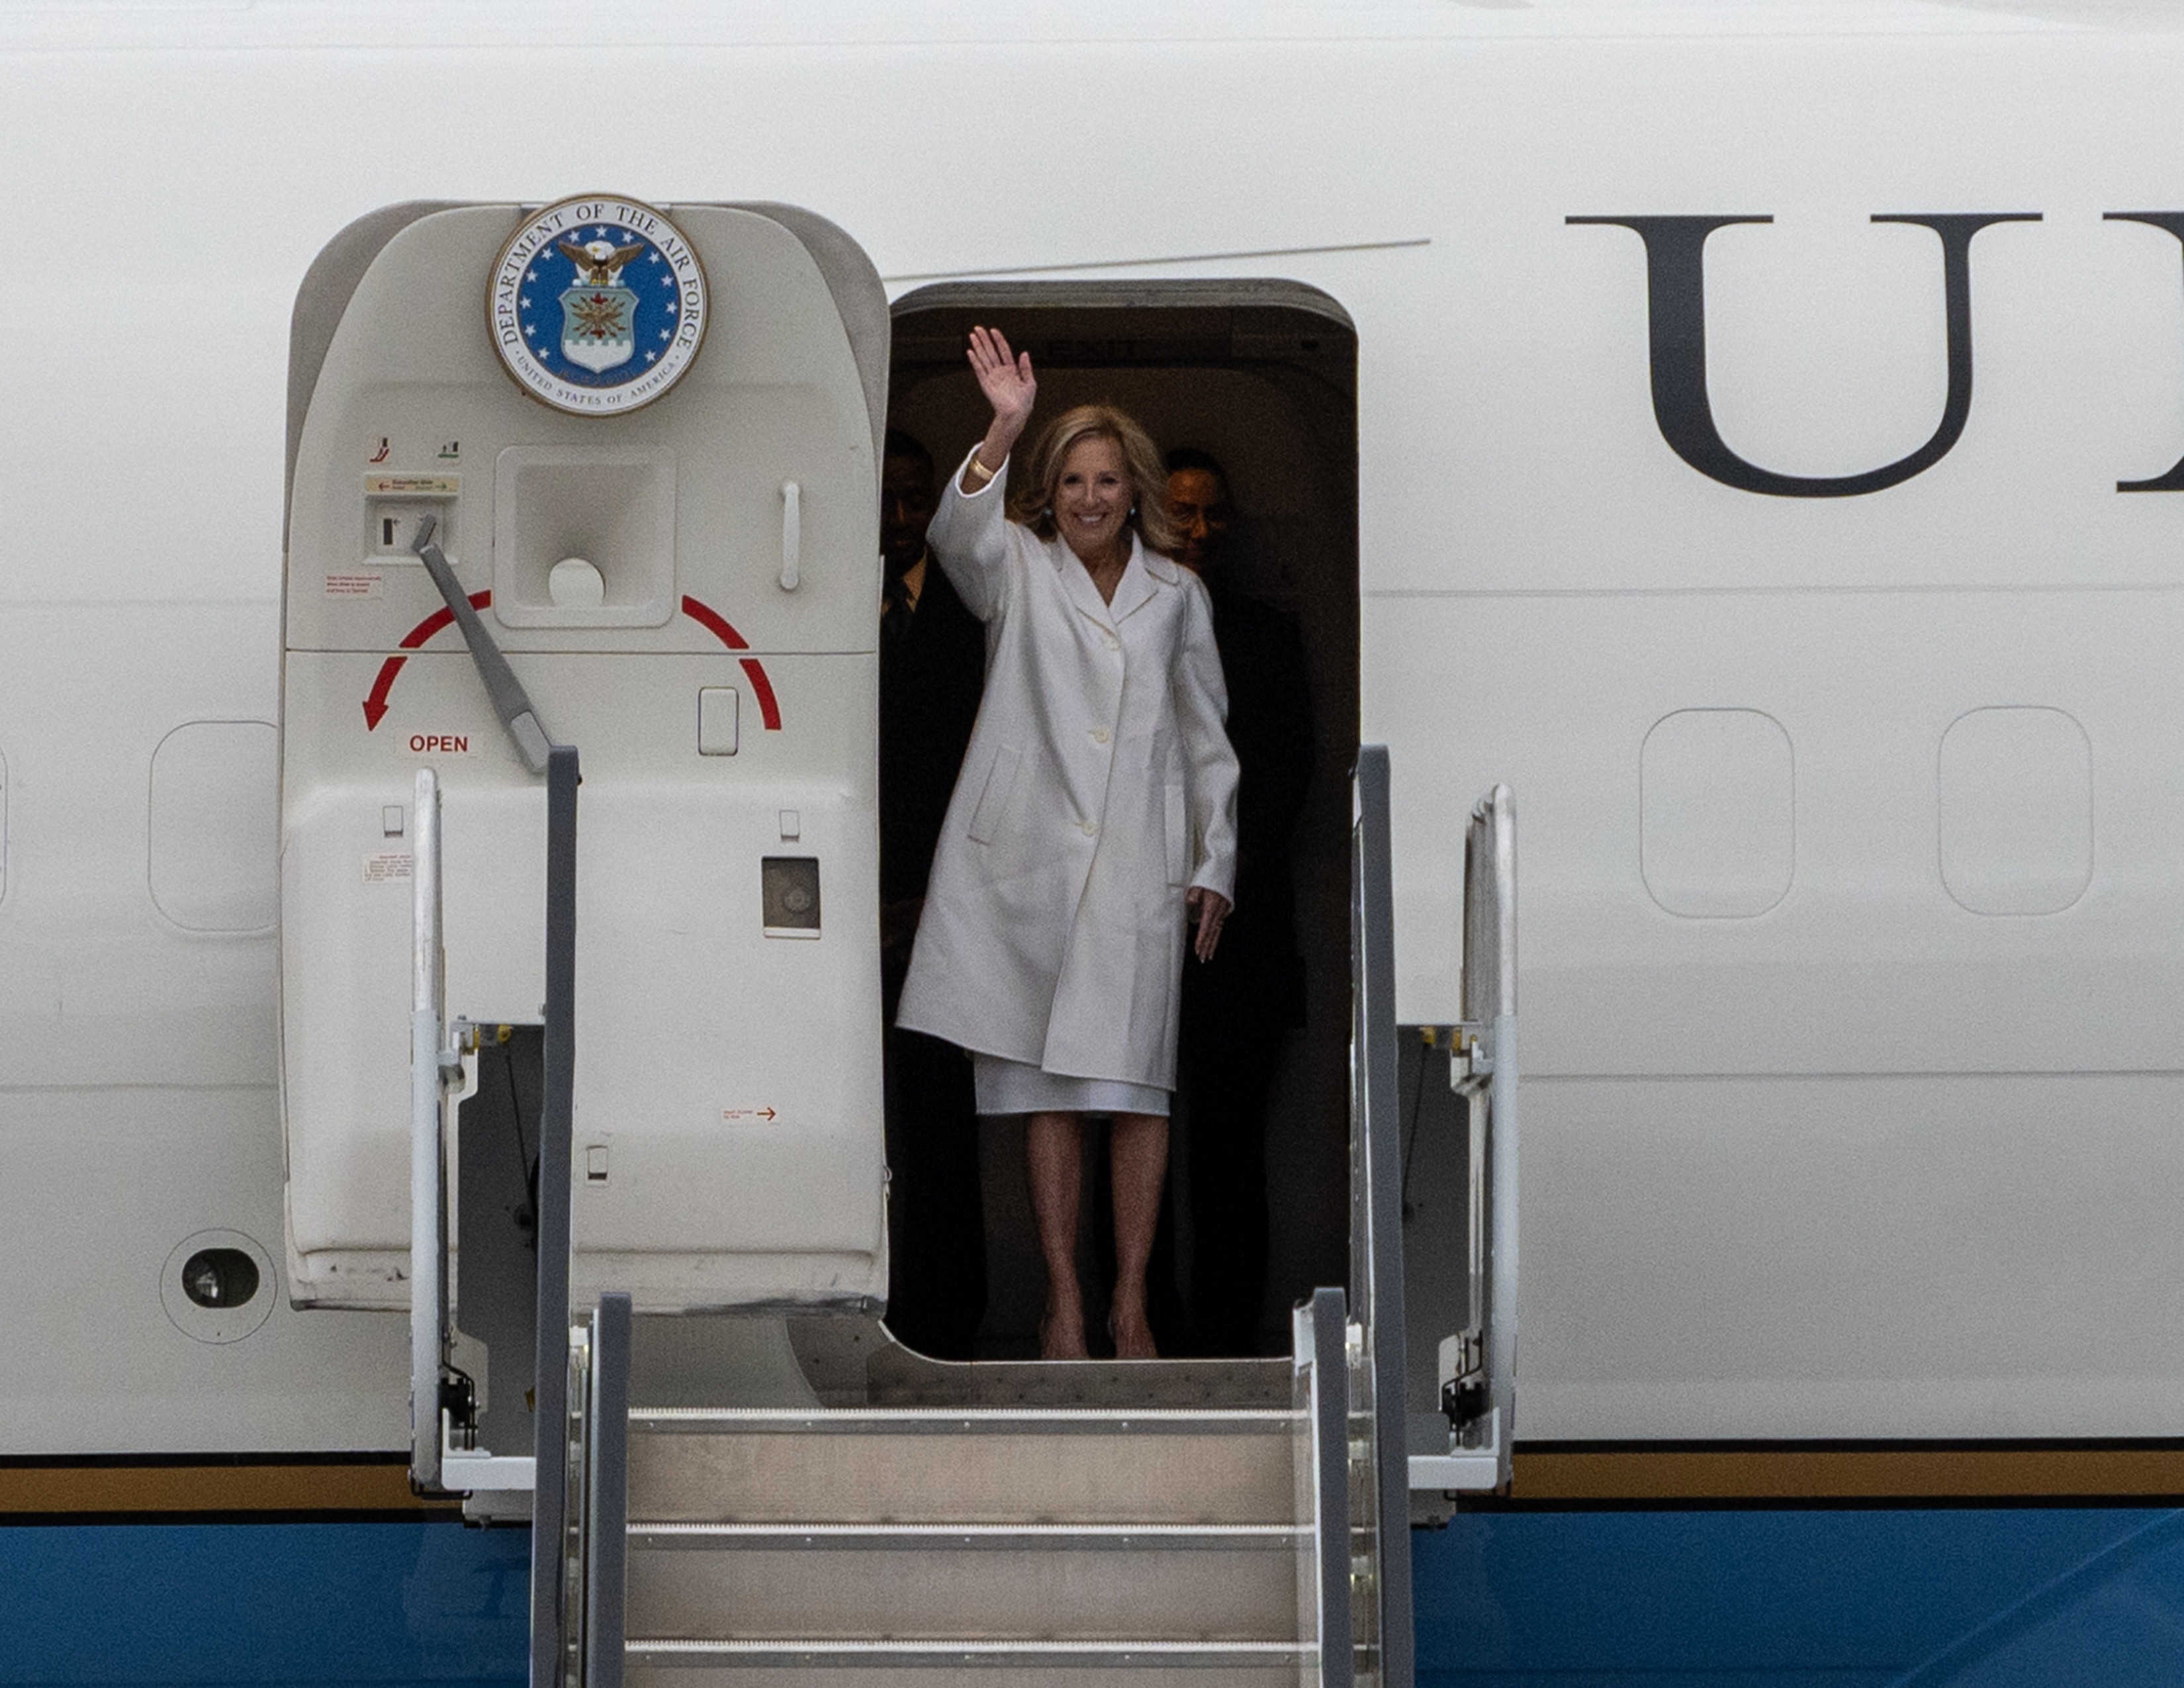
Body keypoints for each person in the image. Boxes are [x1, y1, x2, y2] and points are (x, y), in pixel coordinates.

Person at [897, 326, 1239, 1360]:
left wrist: (1213, 860)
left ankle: (1131, 1299)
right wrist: (1002, 428)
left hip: (1139, 865)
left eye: (1107, 480)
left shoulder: (1178, 596)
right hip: (1031, 871)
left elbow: (1206, 738)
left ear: (1134, 490)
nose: (1090, 496)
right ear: (1054, 489)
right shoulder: (1021, 568)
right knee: (1050, 1090)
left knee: (1136, 1091)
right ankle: (1062, 1302)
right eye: (1072, 479)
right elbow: (958, 536)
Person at [1162, 448, 1315, 1356]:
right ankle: (1130, 1322)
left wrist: (1220, 867)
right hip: (1133, 921)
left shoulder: (1266, 632)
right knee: (1125, 1139)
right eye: (1183, 514)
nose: (1201, 531)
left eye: (1215, 514)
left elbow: (1286, 770)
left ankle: (1223, 1330)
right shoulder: (1123, 623)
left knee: (1228, 1148)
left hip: (1241, 930)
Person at [876, 429, 989, 1360]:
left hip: (948, 904)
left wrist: (931, 899)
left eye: (919, 498)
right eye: (888, 499)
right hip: (841, 911)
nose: (903, 518)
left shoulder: (969, 609)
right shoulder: (825, 612)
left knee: (943, 1121)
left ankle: (949, 1316)